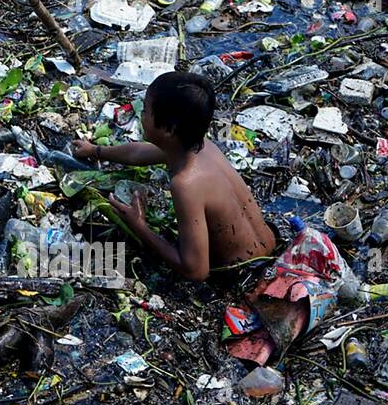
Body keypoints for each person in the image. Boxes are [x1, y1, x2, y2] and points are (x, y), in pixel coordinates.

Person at [72, 70, 276, 281]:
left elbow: (196, 271)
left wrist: (140, 226)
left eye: (146, 111)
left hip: (245, 274)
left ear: (169, 129)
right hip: (270, 248)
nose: (141, 115)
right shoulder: (203, 148)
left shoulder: (185, 184)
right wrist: (95, 150)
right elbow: (139, 153)